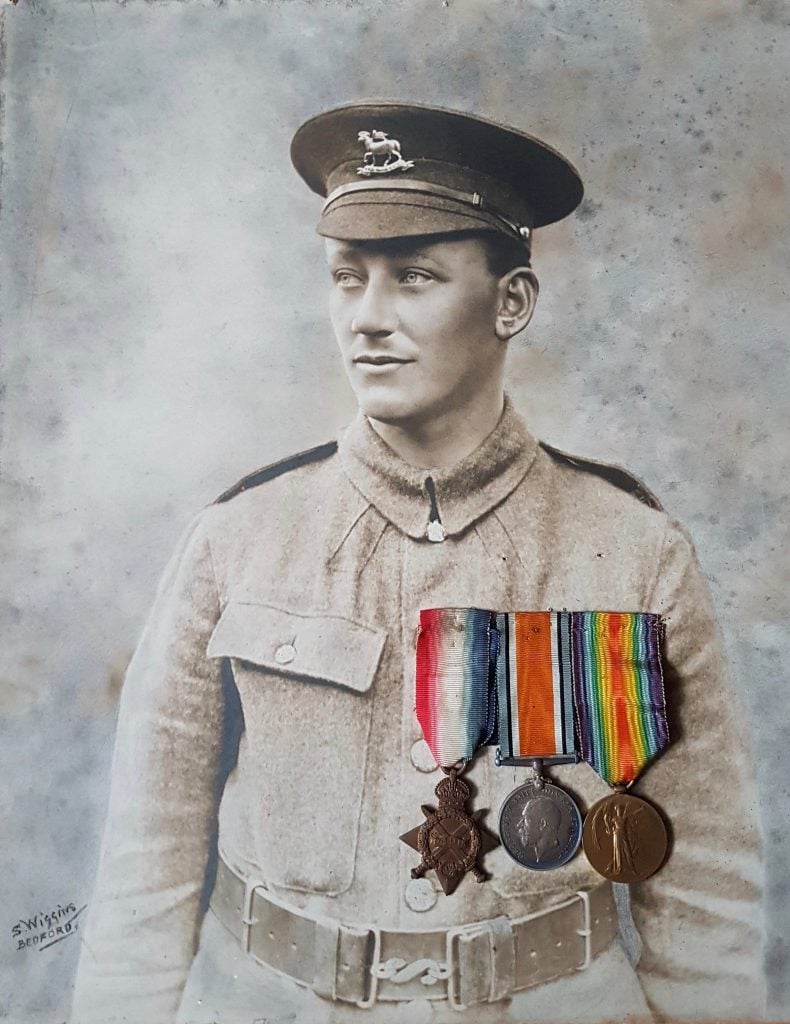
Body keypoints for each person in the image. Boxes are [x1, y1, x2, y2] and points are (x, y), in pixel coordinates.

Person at [71, 102, 765, 1024]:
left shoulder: (634, 551)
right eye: (347, 278)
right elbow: (146, 869)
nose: (367, 318)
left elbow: (704, 882)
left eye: (415, 278)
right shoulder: (240, 537)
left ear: (511, 302)